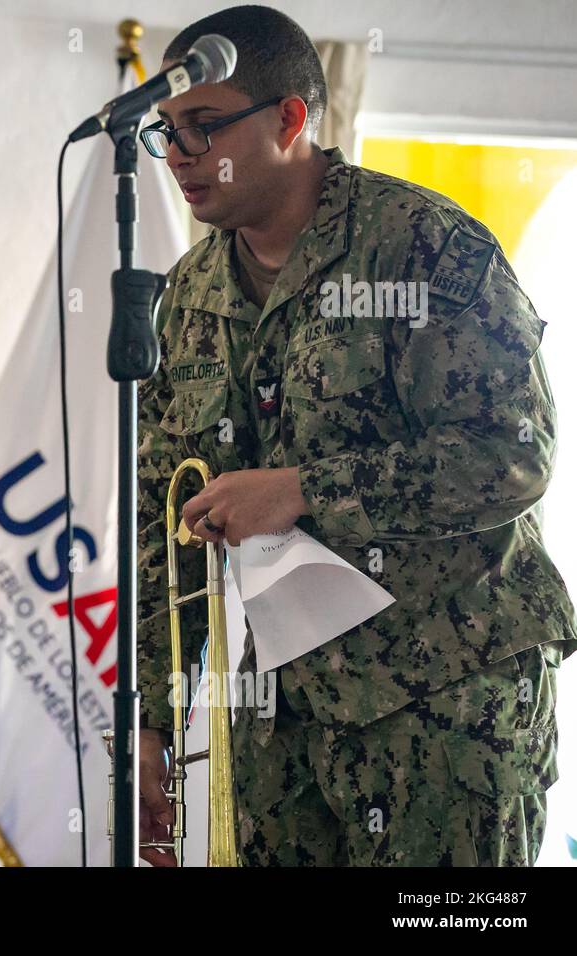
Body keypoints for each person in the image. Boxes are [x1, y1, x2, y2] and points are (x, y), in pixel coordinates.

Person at [135, 5, 576, 866]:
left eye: (204, 126)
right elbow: (167, 519)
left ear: (291, 119)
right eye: (167, 133)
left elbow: (514, 455)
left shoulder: (423, 248)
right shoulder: (185, 295)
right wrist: (152, 717)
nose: (182, 154)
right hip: (276, 726)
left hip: (445, 706)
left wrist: (304, 492)